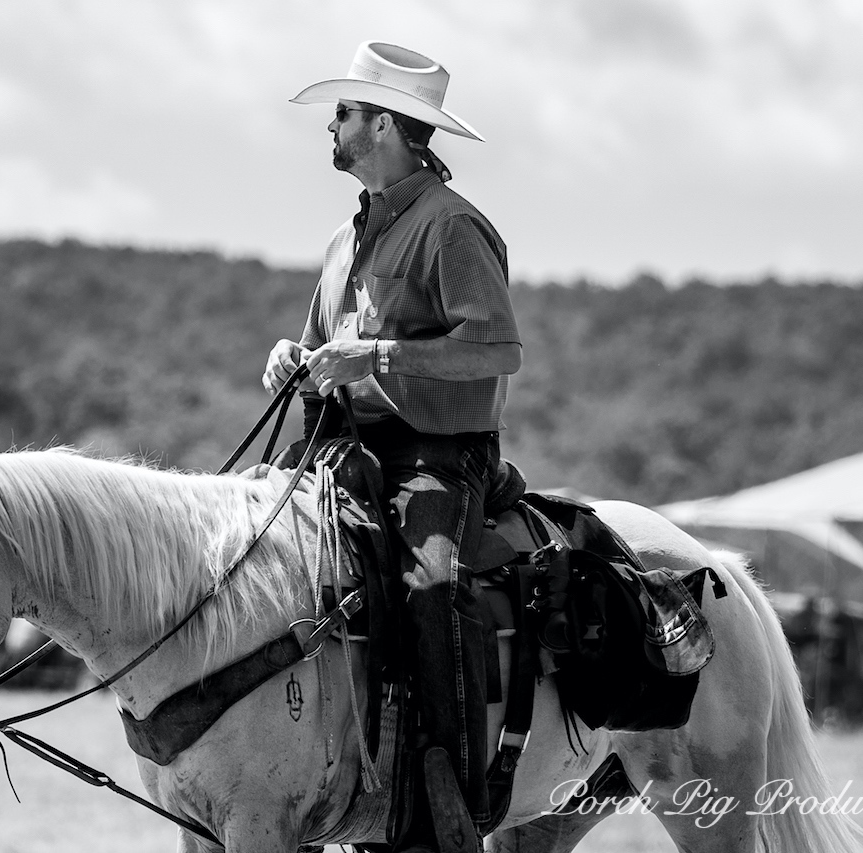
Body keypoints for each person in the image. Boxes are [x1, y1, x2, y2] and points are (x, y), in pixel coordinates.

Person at [263, 41, 521, 853]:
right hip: (341, 446)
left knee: (428, 585)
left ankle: (445, 804)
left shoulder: (454, 228)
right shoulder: (344, 239)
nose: (330, 129)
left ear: (383, 125)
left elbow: (498, 351)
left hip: (436, 457)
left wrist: (378, 356)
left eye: (342, 114)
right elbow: (319, 349)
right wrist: (292, 362)